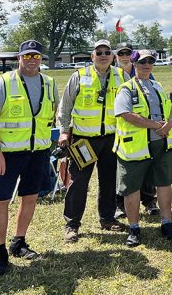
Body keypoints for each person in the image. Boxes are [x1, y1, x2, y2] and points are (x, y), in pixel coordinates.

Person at [0, 40, 58, 276]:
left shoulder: (49, 83)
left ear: (41, 59)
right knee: (1, 201)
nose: (32, 60)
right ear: (19, 58)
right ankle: (0, 251)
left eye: (36, 56)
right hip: (8, 154)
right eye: (27, 56)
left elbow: (51, 114)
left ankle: (19, 242)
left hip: (38, 153)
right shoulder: (5, 82)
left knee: (30, 198)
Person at [57, 40, 128, 243]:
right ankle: (72, 225)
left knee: (109, 181)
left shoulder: (122, 76)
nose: (103, 55)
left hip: (111, 138)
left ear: (113, 56)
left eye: (107, 52)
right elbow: (65, 106)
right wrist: (64, 131)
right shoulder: (79, 76)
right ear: (92, 56)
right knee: (78, 182)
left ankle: (107, 218)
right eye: (99, 52)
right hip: (84, 140)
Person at [113, 49, 172, 247]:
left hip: (161, 144)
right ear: (134, 64)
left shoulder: (157, 85)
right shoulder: (126, 88)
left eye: (150, 61)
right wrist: (156, 125)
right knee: (132, 187)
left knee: (164, 183)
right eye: (142, 62)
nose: (147, 65)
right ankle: (134, 228)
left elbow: (170, 109)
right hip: (135, 147)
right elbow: (126, 114)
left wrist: (170, 123)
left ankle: (166, 223)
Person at [113, 42, 158, 217]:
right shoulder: (112, 73)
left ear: (133, 57)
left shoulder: (144, 70)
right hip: (117, 128)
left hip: (143, 129)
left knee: (147, 166)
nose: (124, 56)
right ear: (116, 56)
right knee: (121, 170)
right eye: (121, 53)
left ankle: (149, 201)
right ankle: (119, 204)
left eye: (128, 53)